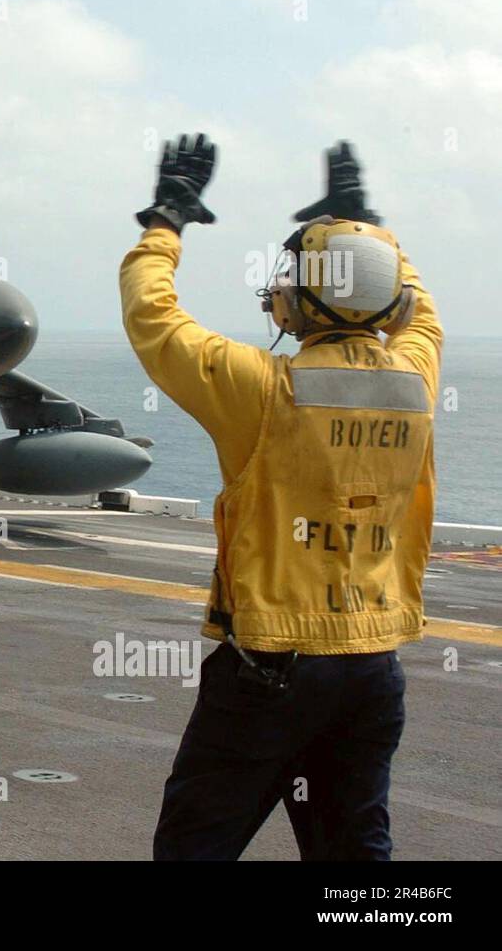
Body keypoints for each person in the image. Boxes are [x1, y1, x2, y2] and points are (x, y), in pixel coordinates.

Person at [120, 135, 442, 860]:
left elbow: (153, 315)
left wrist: (167, 218)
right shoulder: (418, 375)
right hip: (371, 669)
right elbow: (415, 305)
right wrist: (363, 223)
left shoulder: (263, 389)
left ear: (297, 297)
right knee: (356, 856)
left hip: (268, 674)